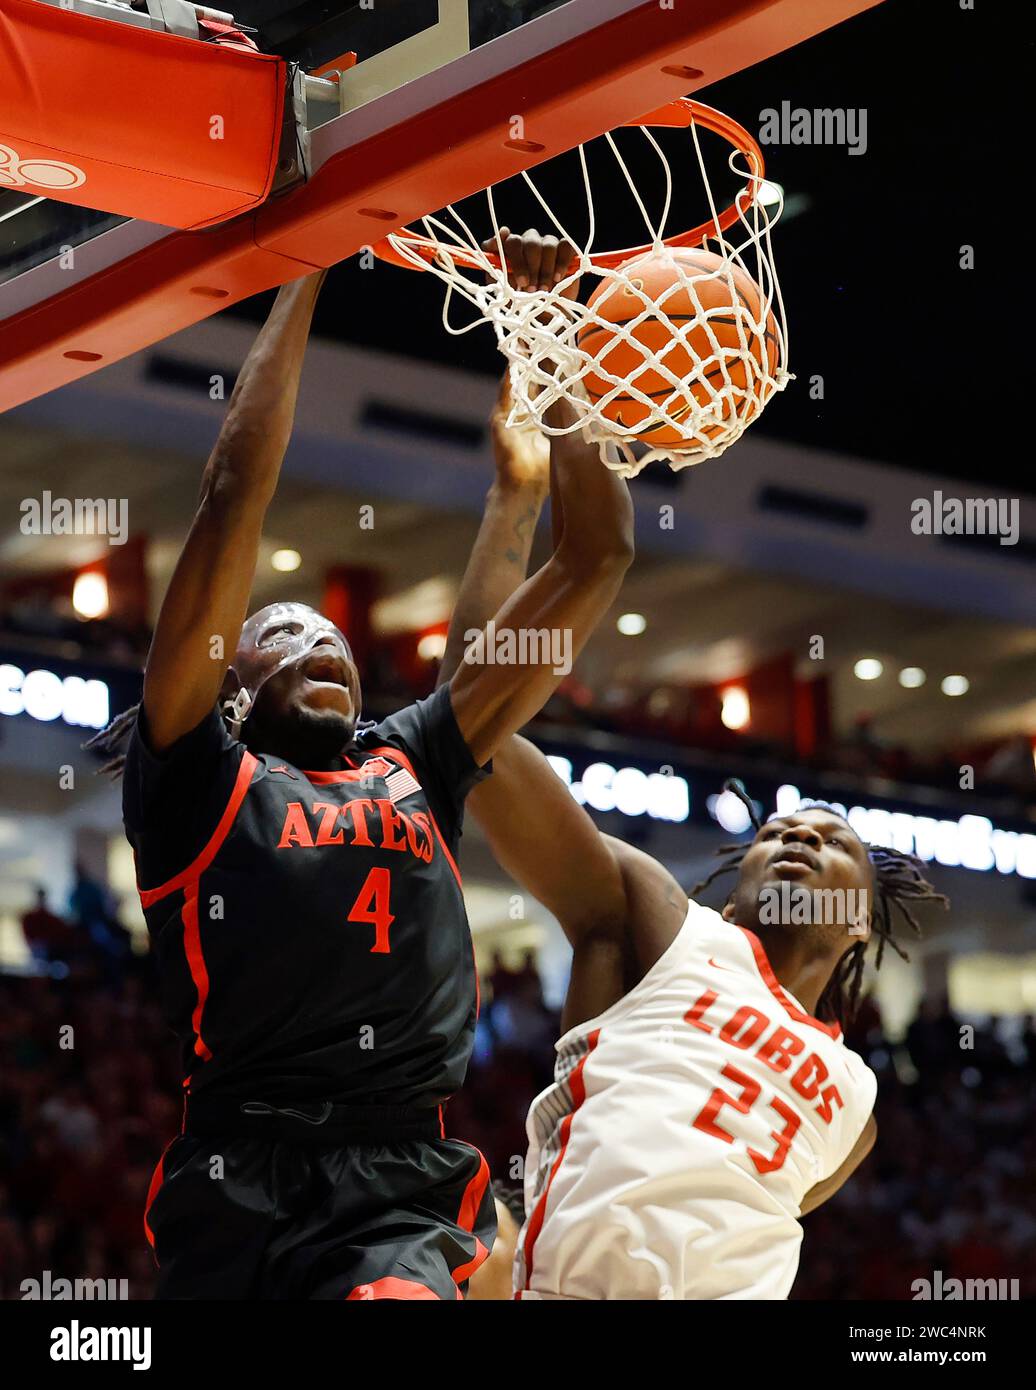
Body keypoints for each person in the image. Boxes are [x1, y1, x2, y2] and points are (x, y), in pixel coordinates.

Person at [86, 252, 633, 1300]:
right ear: (230, 684)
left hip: (399, 1185)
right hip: (240, 1175)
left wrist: (556, 342)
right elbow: (235, 489)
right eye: (283, 628)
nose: (320, 639)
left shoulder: (416, 755)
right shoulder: (196, 779)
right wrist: (309, 259)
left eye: (333, 634)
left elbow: (597, 556)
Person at [438, 398, 948, 1301]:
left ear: (859, 921)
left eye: (828, 839)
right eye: (776, 833)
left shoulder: (857, 1104)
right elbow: (471, 735)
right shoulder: (658, 924)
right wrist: (519, 499)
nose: (793, 836)